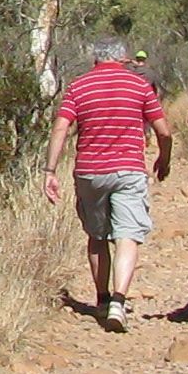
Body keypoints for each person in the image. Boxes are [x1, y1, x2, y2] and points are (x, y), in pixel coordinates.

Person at [42, 35, 173, 332]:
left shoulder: (79, 86)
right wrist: (164, 159)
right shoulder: (139, 86)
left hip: (89, 172)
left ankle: (101, 299)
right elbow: (163, 130)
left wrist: (50, 170)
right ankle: (118, 300)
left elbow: (62, 126)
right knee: (127, 235)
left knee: (97, 235)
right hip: (128, 170)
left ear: (95, 60)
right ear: (123, 58)